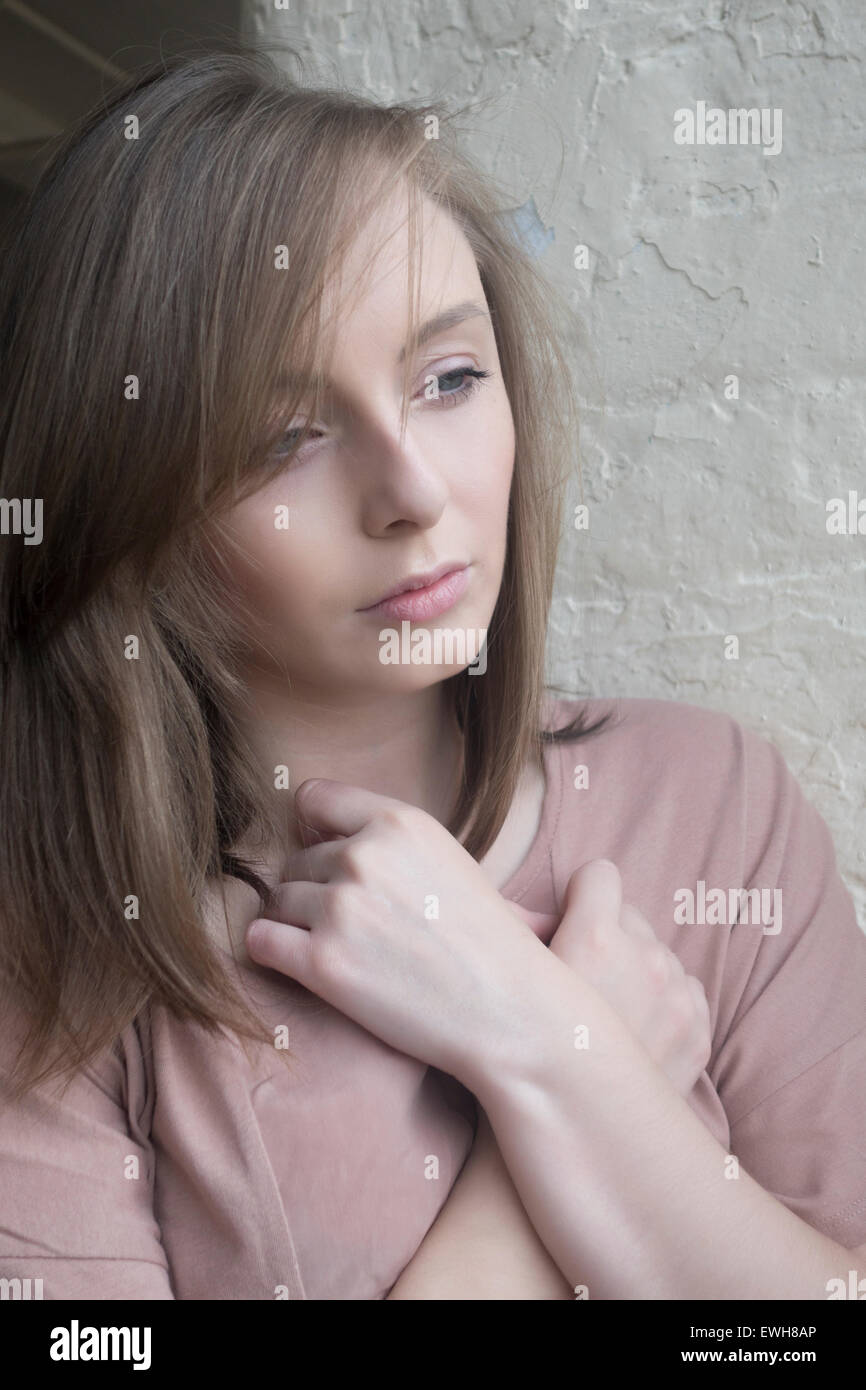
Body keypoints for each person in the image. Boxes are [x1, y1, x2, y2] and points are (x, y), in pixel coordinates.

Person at [0, 42, 864, 1301]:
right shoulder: (52, 936)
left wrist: (539, 1040)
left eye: (449, 378)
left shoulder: (715, 802)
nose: (412, 490)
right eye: (281, 438)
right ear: (130, 498)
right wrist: (565, 1079)